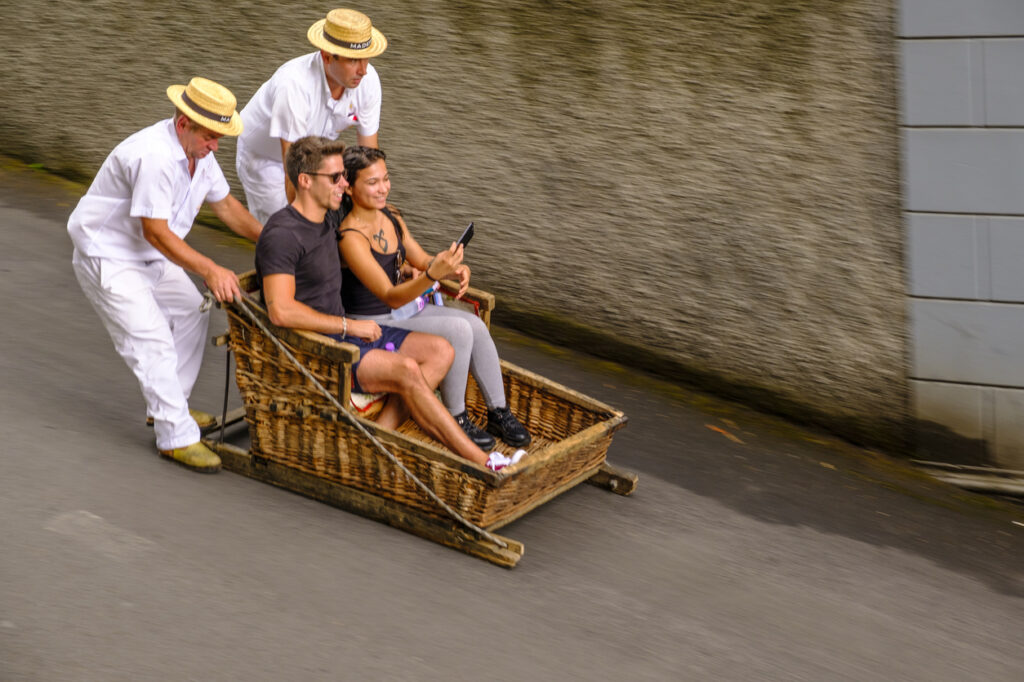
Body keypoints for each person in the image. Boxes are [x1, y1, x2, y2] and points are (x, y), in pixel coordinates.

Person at [255, 136, 524, 472]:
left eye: (344, 176)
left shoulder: (326, 220)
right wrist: (348, 325)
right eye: (336, 178)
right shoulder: (282, 234)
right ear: (306, 181)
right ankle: (485, 462)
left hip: (350, 335)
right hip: (322, 346)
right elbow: (280, 311)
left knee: (442, 350)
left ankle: (374, 440)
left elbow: (380, 244)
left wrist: (416, 266)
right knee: (409, 369)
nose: (343, 184)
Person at [68, 77, 263, 473]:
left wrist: (273, 240)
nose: (215, 146)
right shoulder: (154, 156)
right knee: (151, 337)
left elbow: (226, 206)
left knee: (192, 311)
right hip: (109, 256)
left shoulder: (200, 155)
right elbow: (155, 230)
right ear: (183, 125)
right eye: (211, 136)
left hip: (149, 254)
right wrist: (210, 268)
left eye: (219, 137)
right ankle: (175, 437)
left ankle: (167, 407)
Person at [336, 146, 531, 450]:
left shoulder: (392, 215)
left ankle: (499, 411)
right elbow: (388, 294)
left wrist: (451, 268)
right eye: (373, 183)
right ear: (348, 187)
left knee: (475, 325)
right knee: (459, 329)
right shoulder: (350, 236)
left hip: (401, 310)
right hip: (373, 319)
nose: (383, 188)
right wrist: (432, 276)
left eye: (386, 179)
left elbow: (422, 258)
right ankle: (456, 417)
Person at [236, 8, 387, 223]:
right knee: (281, 229)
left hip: (316, 155)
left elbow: (369, 156)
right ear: (327, 57)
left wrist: (372, 209)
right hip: (266, 159)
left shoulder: (368, 80)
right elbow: (293, 171)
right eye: (353, 60)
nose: (363, 70)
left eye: (366, 59)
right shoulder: (294, 85)